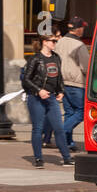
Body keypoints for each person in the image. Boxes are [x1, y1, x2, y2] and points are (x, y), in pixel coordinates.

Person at [23, 34, 71, 168]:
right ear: (45, 42)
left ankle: (66, 158)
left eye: (56, 41)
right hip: (36, 98)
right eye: (53, 41)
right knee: (38, 129)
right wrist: (39, 90)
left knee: (59, 128)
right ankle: (38, 159)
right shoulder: (35, 59)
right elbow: (26, 80)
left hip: (51, 98)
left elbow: (59, 77)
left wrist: (61, 91)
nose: (55, 43)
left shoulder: (56, 58)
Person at [54, 17, 90, 151]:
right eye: (83, 28)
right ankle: (62, 134)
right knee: (81, 112)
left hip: (62, 82)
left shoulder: (60, 42)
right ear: (79, 29)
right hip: (76, 83)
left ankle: (68, 142)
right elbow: (86, 67)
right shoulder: (79, 45)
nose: (83, 30)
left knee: (69, 112)